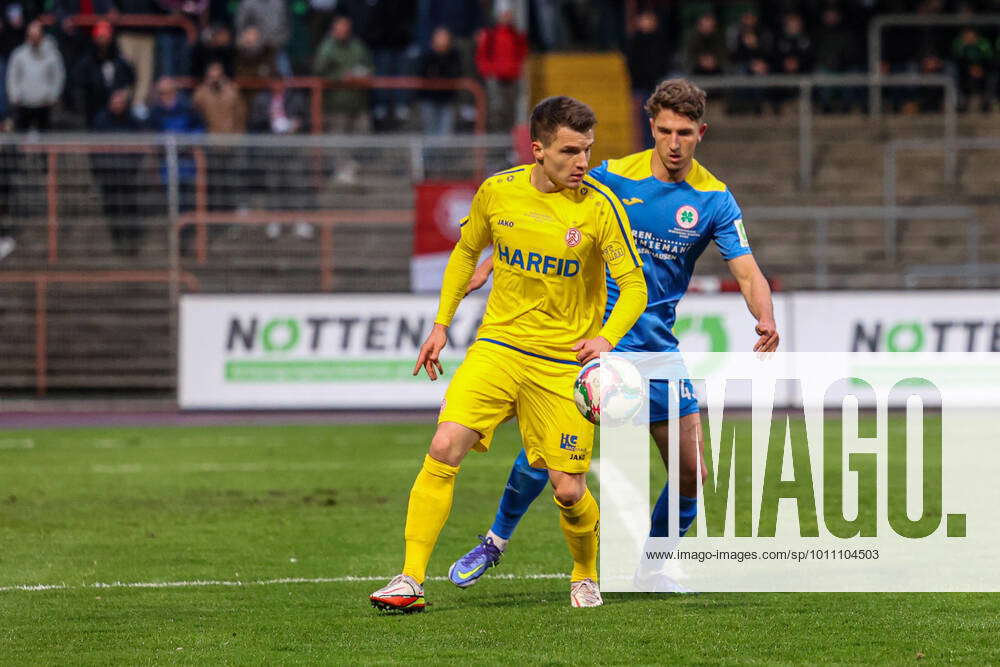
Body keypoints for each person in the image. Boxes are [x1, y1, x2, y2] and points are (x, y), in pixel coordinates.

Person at [447, 79, 779, 592]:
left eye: (685, 133)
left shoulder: (714, 199)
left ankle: (653, 568)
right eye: (664, 130)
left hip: (657, 349)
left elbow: (748, 271)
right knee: (548, 455)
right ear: (652, 128)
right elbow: (546, 211)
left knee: (692, 471)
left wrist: (766, 317)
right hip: (592, 341)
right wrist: (493, 258)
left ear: (701, 133)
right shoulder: (612, 176)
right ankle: (495, 541)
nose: (673, 143)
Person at [369, 96, 647, 612]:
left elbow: (633, 284)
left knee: (568, 490)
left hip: (564, 364)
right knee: (444, 445)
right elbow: (465, 252)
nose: (582, 162)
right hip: (498, 348)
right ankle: (409, 579)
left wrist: (606, 338)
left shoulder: (599, 206)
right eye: (569, 151)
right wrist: (441, 324)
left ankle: (585, 573)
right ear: (538, 149)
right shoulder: (498, 191)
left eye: (587, 150)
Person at [91, 87, 146, 255]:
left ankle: (132, 240)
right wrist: (101, 168)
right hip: (108, 173)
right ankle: (118, 240)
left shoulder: (133, 121)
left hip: (128, 172)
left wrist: (133, 164)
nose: (117, 105)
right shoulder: (101, 120)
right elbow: (94, 148)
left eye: (120, 102)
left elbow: (140, 145)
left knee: (130, 208)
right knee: (112, 208)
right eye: (115, 102)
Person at [70, 20, 136, 128]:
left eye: (106, 37)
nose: (103, 41)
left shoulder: (119, 60)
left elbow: (131, 78)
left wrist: (121, 95)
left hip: (117, 108)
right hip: (93, 106)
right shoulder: (87, 61)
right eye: (100, 37)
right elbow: (78, 82)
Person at [475, 5, 527, 133]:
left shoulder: (516, 35)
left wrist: (517, 70)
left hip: (512, 76)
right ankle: (497, 134)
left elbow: (522, 54)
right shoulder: (491, 35)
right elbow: (482, 55)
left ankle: (509, 136)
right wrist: (488, 71)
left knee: (511, 109)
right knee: (496, 109)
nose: (506, 18)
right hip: (495, 76)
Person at [6, 19, 64, 131]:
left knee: (45, 137)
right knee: (21, 136)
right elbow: (12, 76)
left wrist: (53, 95)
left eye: (36, 35)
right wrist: (14, 95)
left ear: (42, 36)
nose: (33, 39)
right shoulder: (19, 54)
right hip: (23, 103)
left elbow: (58, 76)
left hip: (45, 103)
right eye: (31, 35)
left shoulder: (52, 54)